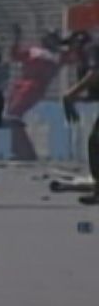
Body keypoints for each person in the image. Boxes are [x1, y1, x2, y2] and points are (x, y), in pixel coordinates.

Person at [3, 27, 77, 160]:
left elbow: (74, 57)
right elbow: (15, 55)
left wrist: (70, 43)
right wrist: (16, 39)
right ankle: (18, 151)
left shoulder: (58, 55)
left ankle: (26, 153)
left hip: (33, 87)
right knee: (12, 118)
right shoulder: (35, 51)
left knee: (13, 117)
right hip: (20, 86)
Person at [61, 30, 99, 205]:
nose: (70, 50)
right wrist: (78, 98)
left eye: (71, 45)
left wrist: (70, 94)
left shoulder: (91, 49)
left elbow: (95, 74)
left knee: (96, 142)